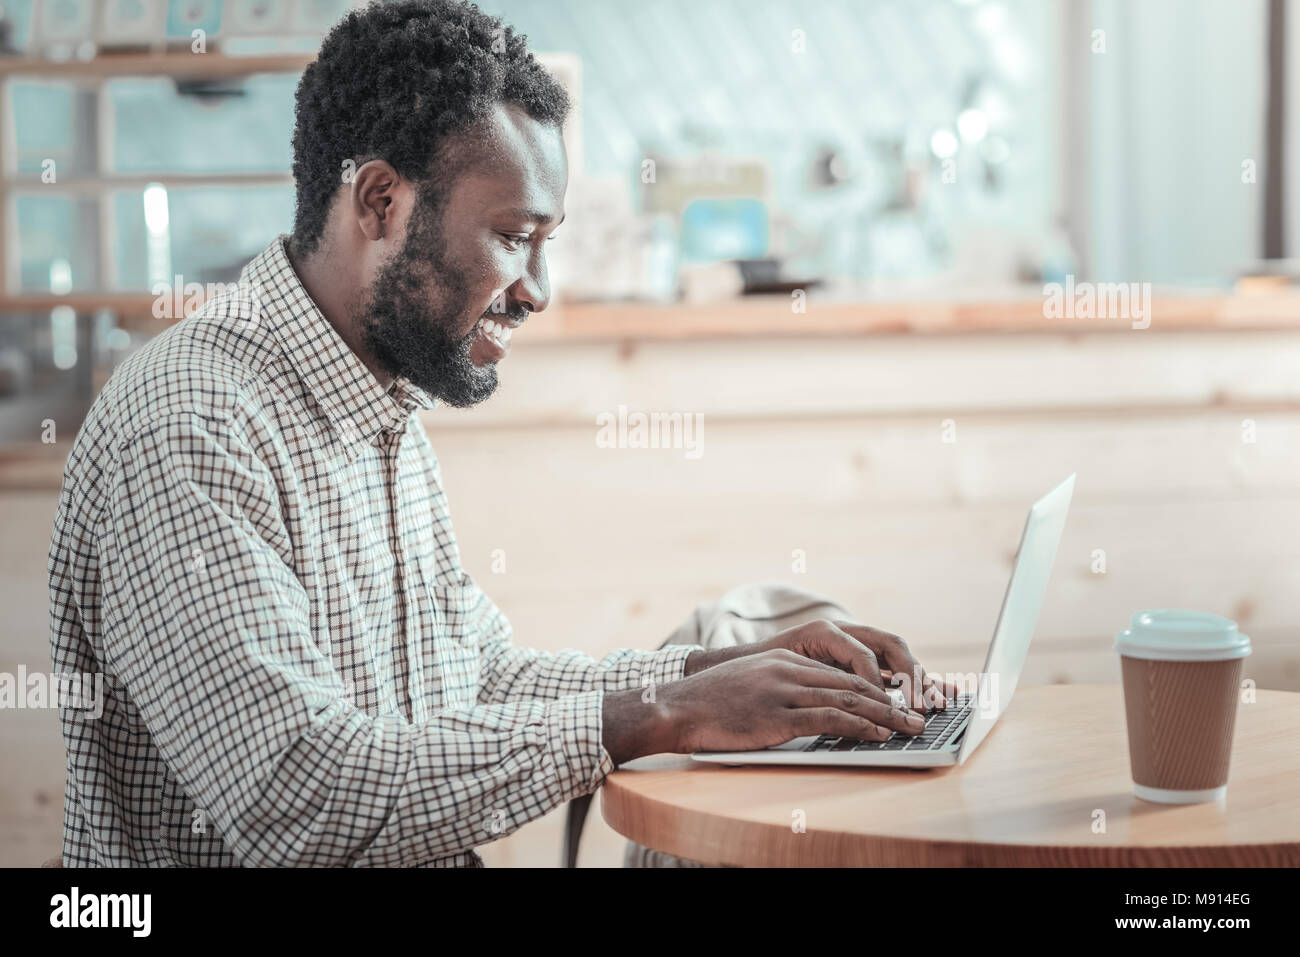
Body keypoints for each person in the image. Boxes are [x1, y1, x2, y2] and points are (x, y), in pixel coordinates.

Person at [48, 0, 951, 868]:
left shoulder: (379, 404)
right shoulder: (190, 422)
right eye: (515, 236)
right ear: (379, 202)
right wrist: (659, 715)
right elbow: (294, 792)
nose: (538, 290)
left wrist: (726, 674)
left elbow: (473, 679)